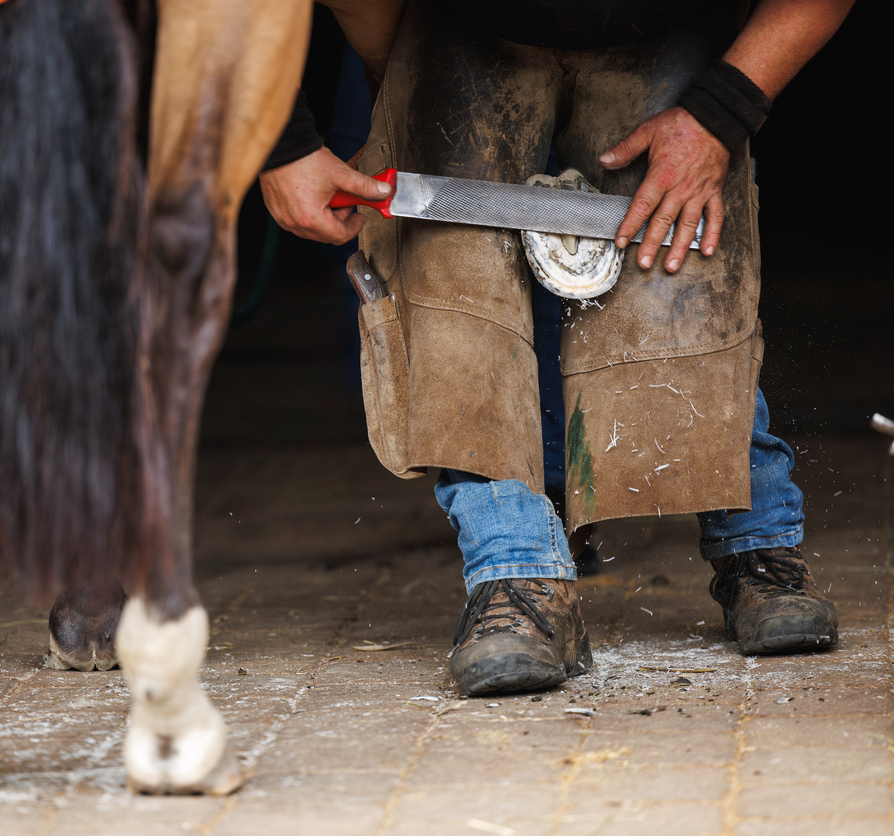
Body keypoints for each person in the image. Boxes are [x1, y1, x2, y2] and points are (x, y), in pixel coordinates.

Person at [259, 0, 855, 696]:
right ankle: (516, 575)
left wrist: (721, 110)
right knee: (454, 291)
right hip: (463, 25)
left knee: (677, 269)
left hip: (667, 23)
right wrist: (287, 141)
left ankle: (758, 546)